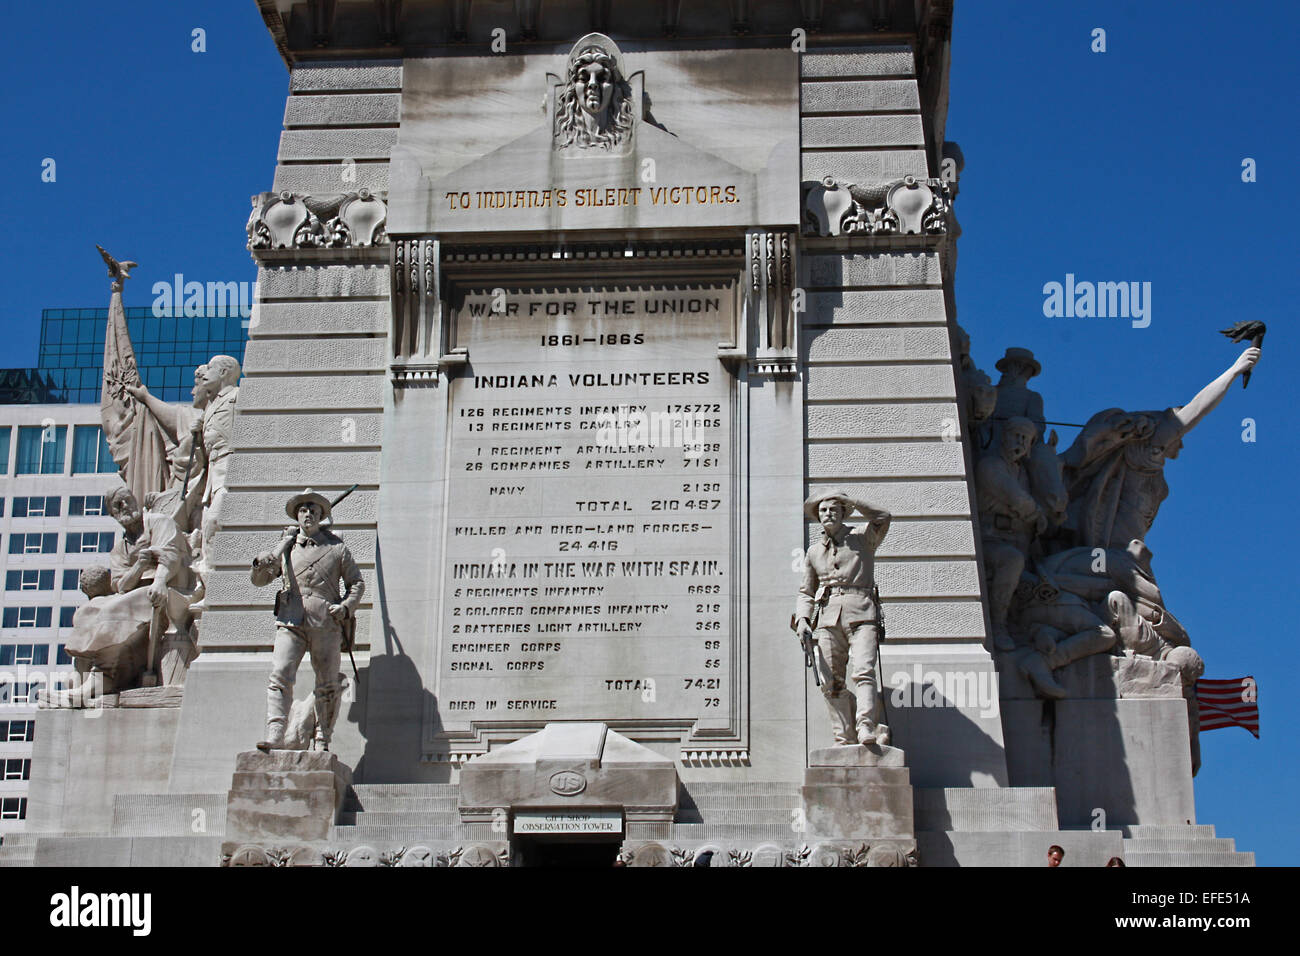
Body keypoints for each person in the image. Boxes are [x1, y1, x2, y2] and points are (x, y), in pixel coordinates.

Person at [1060, 348, 1260, 550]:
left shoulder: (1152, 468)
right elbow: (1198, 408)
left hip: (1129, 545)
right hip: (1118, 546)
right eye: (1179, 435)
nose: (1181, 442)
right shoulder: (1145, 452)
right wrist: (1234, 371)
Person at [251, 488, 364, 752]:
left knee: (327, 683)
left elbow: (356, 583)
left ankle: (323, 738)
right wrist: (277, 549)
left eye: (314, 510)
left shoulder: (337, 548)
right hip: (291, 620)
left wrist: (346, 607)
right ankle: (275, 733)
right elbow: (259, 580)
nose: (308, 514)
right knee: (279, 675)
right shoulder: (286, 547)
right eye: (303, 510)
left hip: (326, 622)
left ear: (322, 515)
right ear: (297, 516)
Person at [795, 490, 892, 746]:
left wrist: (856, 501)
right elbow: (806, 591)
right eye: (823, 510)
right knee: (831, 682)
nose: (828, 514)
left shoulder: (862, 538)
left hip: (862, 613)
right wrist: (803, 619)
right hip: (828, 618)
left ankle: (866, 726)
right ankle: (844, 735)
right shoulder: (814, 551)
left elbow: (884, 516)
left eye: (834, 509)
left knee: (863, 671)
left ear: (843, 513)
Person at [976, 417, 1046, 652]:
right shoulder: (990, 466)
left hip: (1016, 539)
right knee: (1012, 560)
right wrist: (1038, 513)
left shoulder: (1021, 472)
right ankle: (998, 624)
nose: (1019, 442)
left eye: (1025, 439)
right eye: (1016, 436)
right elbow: (1018, 500)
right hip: (988, 541)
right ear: (1003, 437)